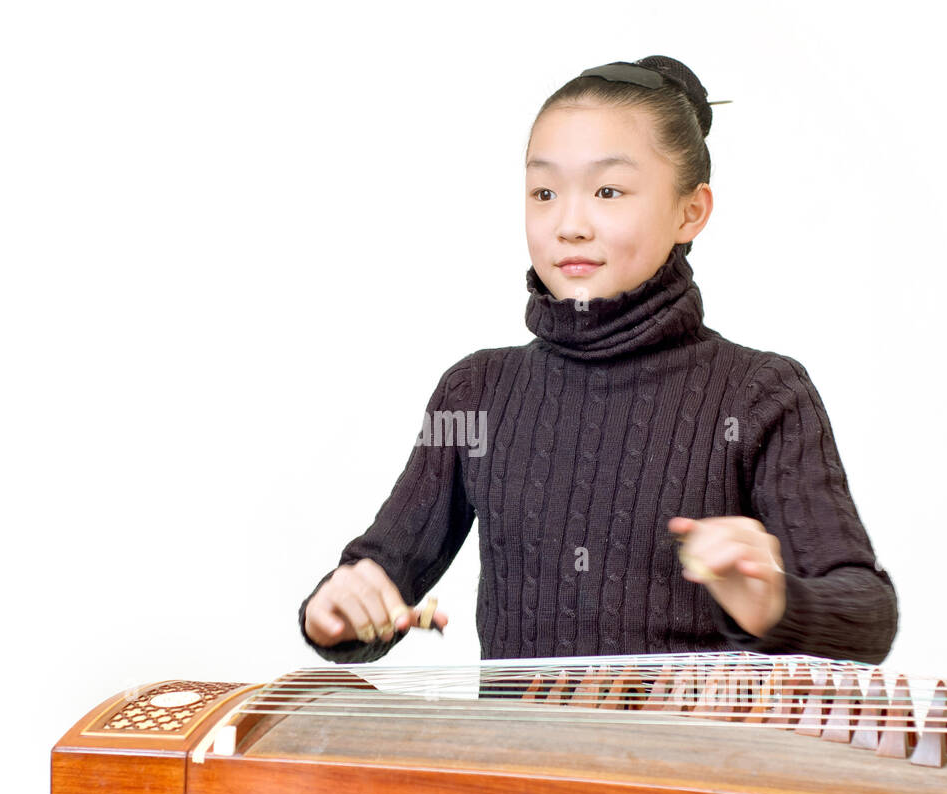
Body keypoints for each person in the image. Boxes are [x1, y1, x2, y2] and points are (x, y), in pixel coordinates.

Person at [298, 54, 898, 667]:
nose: (569, 224)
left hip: (688, 762)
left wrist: (772, 603)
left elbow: (867, 616)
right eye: (544, 192)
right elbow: (379, 575)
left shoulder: (762, 393)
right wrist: (340, 610)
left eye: (608, 191)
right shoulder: (476, 390)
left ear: (690, 212)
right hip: (522, 762)